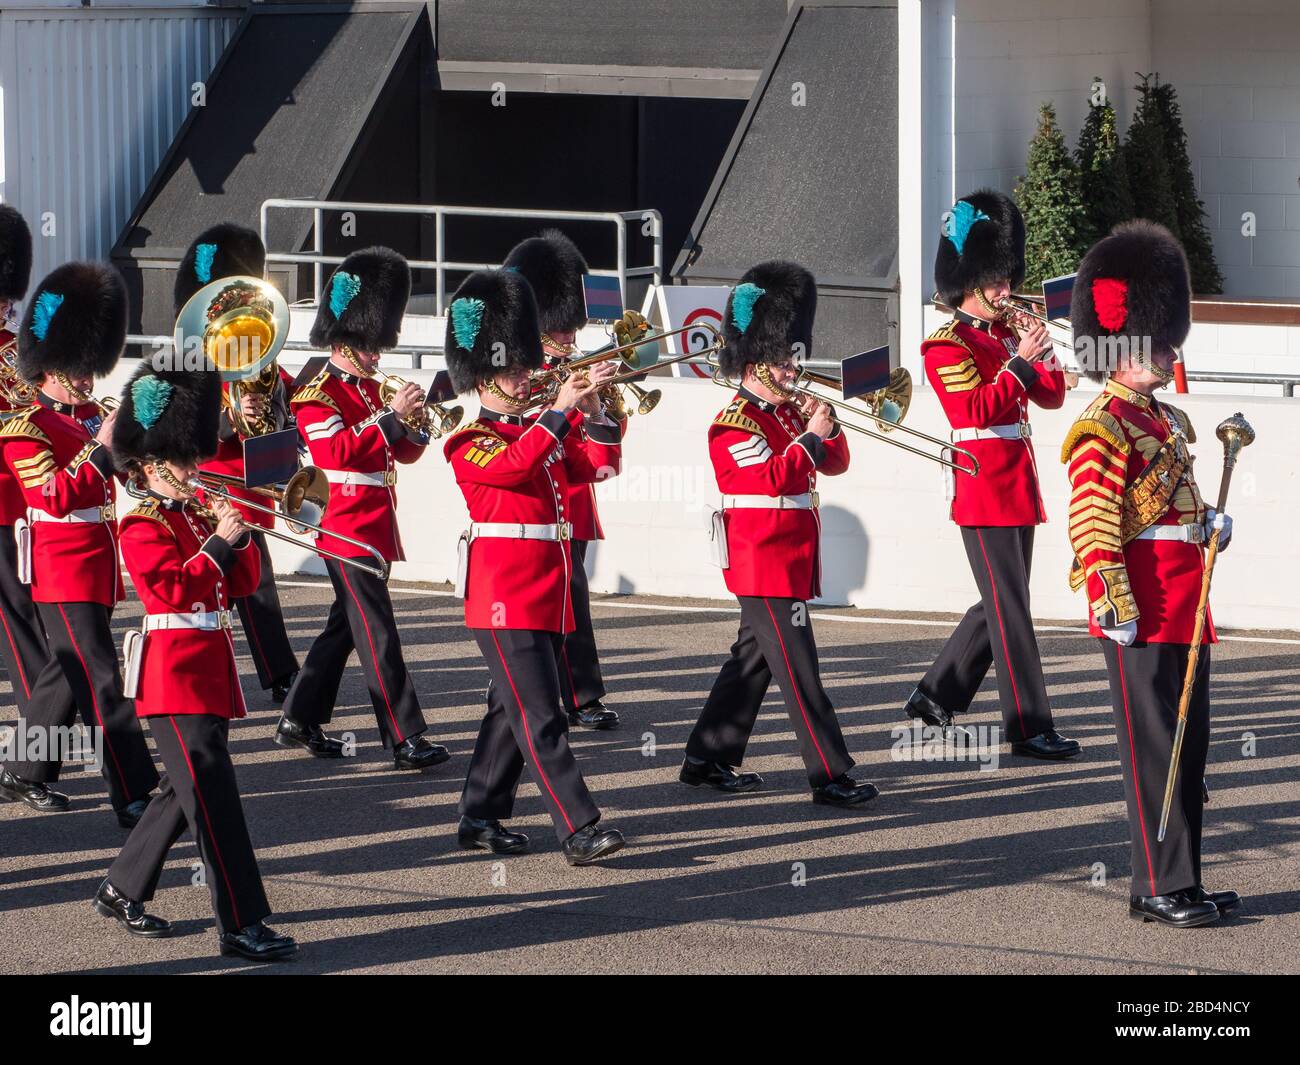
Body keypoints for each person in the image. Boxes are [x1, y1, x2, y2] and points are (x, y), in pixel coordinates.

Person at [1064, 219, 1239, 928]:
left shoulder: (1164, 421)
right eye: (1160, 341)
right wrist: (1112, 599)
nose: (1172, 352)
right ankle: (1155, 883)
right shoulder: (1102, 426)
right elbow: (1093, 521)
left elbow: (1175, 509)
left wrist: (1209, 525)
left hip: (1184, 601)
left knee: (1187, 748)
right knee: (1154, 751)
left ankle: (1181, 878)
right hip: (1142, 604)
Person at [96, 357, 296, 961]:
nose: (196, 469)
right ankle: (242, 922)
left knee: (182, 792)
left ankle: (121, 886)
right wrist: (218, 543)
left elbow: (239, 586)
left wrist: (245, 532)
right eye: (186, 461)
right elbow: (172, 591)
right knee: (215, 800)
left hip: (208, 669)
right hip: (172, 676)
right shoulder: (141, 525)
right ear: (155, 466)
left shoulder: (191, 515)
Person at [442, 267, 626, 865]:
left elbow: (594, 468)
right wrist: (561, 411)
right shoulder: (468, 441)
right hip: (502, 594)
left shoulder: (537, 432)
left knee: (510, 709)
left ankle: (479, 814)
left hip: (543, 590)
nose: (526, 380)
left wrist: (595, 409)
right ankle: (578, 827)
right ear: (485, 379)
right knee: (542, 717)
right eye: (515, 373)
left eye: (526, 370)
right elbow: (517, 466)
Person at [682, 261, 877, 808]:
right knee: (800, 670)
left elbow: (832, 464)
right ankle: (830, 774)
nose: (793, 366)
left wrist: (826, 426)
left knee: (752, 662)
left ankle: (707, 755)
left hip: (789, 557)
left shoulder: (788, 416)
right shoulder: (734, 422)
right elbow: (771, 479)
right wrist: (809, 436)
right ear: (755, 360)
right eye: (782, 356)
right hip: (761, 559)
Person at [903, 189, 1079, 760]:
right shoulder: (943, 344)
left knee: (1005, 599)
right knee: (1011, 608)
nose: (1007, 290)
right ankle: (1028, 727)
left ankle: (936, 695)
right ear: (968, 282)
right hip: (982, 484)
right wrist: (1021, 361)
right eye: (997, 281)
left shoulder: (1004, 335)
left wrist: (1041, 351)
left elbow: (1050, 397)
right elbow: (975, 411)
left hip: (1016, 481)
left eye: (1007, 278)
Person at [277, 247, 447, 770]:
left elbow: (405, 453)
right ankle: (403, 736)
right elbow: (335, 455)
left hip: (376, 522)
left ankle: (299, 717)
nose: (378, 356)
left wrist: (415, 422)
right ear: (347, 341)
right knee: (377, 632)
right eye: (372, 347)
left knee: (345, 629)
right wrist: (389, 418)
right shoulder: (315, 393)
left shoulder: (373, 390)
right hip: (344, 526)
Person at [0, 262, 158, 825]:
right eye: (79, 368)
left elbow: (124, 477)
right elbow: (55, 496)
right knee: (99, 675)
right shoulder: (24, 427)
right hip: (60, 564)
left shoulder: (91, 415)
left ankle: (21, 768)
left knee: (64, 672)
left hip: (98, 559)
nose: (90, 379)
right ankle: (134, 788)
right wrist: (104, 447)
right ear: (51, 366)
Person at [175, 223, 300, 703]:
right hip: (211, 483)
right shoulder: (187, 358)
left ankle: (276, 675)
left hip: (251, 482)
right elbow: (181, 426)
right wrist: (230, 417)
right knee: (240, 579)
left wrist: (279, 408)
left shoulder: (257, 353)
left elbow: (288, 409)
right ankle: (269, 677)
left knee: (252, 579)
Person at [503, 229, 623, 730]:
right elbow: (522, 438)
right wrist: (567, 403)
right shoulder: (520, 371)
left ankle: (579, 694)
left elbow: (609, 440)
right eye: (561, 324)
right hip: (539, 497)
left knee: (573, 596)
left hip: (574, 495)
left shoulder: (576, 365)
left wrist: (601, 402)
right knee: (548, 601)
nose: (569, 333)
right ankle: (546, 692)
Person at [0, 203, 56, 727]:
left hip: (20, 504)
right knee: (23, 629)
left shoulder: (14, 353)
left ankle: (43, 744)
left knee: (29, 624)